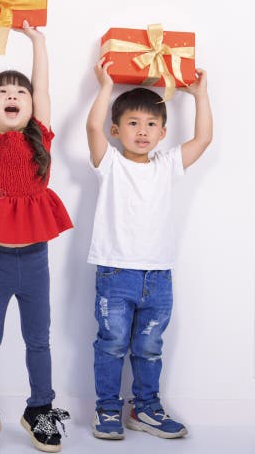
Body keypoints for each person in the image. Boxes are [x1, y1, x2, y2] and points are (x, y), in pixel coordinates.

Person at [0, 22, 73, 452]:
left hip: (35, 262)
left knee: (38, 340)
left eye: (19, 93)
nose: (11, 95)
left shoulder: (39, 135)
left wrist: (38, 42)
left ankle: (40, 408)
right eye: (1, 91)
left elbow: (42, 85)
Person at [86, 59, 212, 440]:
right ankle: (108, 409)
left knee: (149, 347)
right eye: (133, 123)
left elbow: (203, 139)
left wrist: (200, 95)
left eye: (151, 125)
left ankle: (144, 408)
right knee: (111, 344)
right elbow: (92, 126)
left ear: (163, 133)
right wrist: (105, 86)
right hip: (115, 272)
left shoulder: (167, 164)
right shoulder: (109, 163)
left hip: (158, 275)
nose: (142, 131)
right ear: (116, 129)